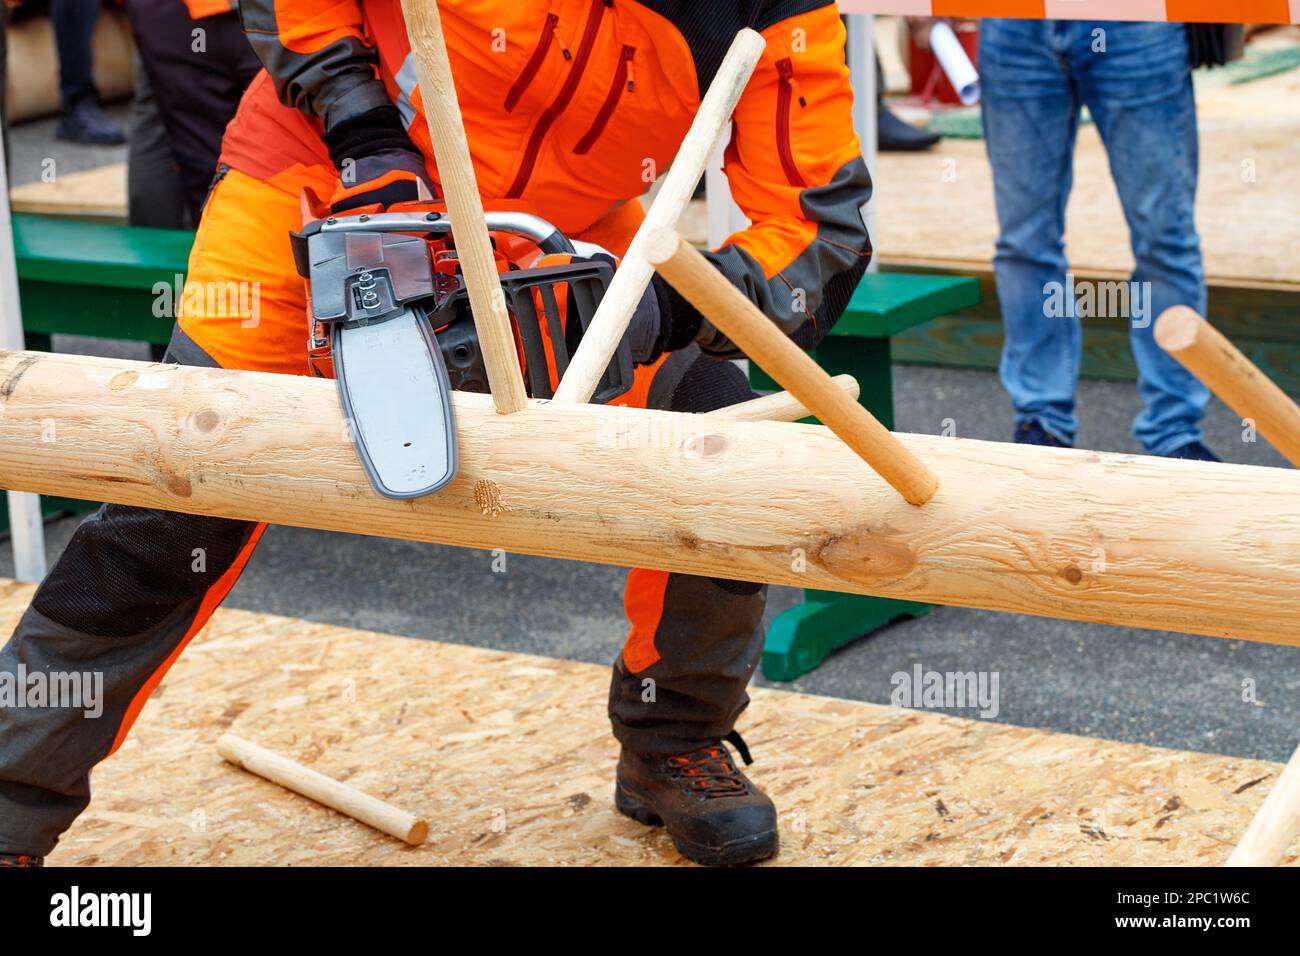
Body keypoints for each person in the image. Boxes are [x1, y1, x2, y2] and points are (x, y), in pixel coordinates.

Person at [0, 1, 872, 867]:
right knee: (178, 485)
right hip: (323, 180)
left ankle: (673, 735)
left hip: (556, 235)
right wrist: (362, 129)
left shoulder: (775, 11)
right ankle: (11, 795)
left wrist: (656, 307)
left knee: (720, 444)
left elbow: (818, 234)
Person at [978, 18, 1217, 459]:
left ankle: (1175, 431)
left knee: (1164, 236)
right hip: (1014, 20)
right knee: (1023, 241)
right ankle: (1040, 423)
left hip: (1135, 20)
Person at [124, 0, 261, 227]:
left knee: (164, 118)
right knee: (276, 127)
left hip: (161, 12)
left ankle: (157, 249)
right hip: (238, 12)